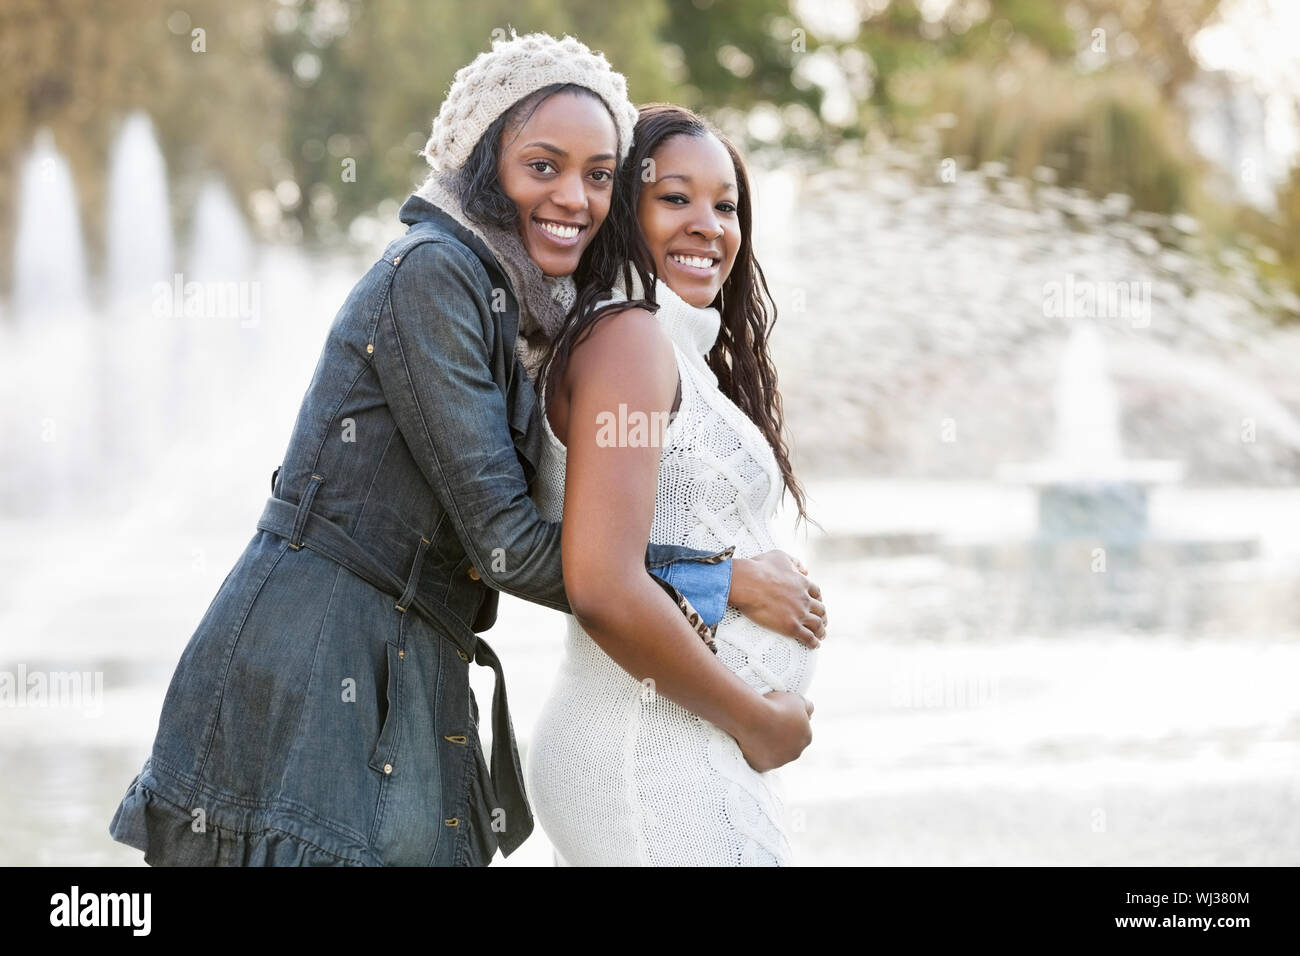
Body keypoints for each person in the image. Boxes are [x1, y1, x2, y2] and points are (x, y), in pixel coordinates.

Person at [108, 32, 823, 868]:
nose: (577, 197)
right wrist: (720, 578)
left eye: (599, 175)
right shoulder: (434, 275)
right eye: (543, 165)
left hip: (409, 643)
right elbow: (509, 542)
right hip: (324, 650)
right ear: (484, 163)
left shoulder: (520, 309)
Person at [523, 103, 824, 865]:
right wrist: (756, 717)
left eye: (725, 205)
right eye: (674, 198)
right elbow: (602, 584)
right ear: (624, 210)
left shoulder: (664, 346)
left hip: (672, 743)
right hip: (650, 749)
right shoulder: (629, 341)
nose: (708, 224)